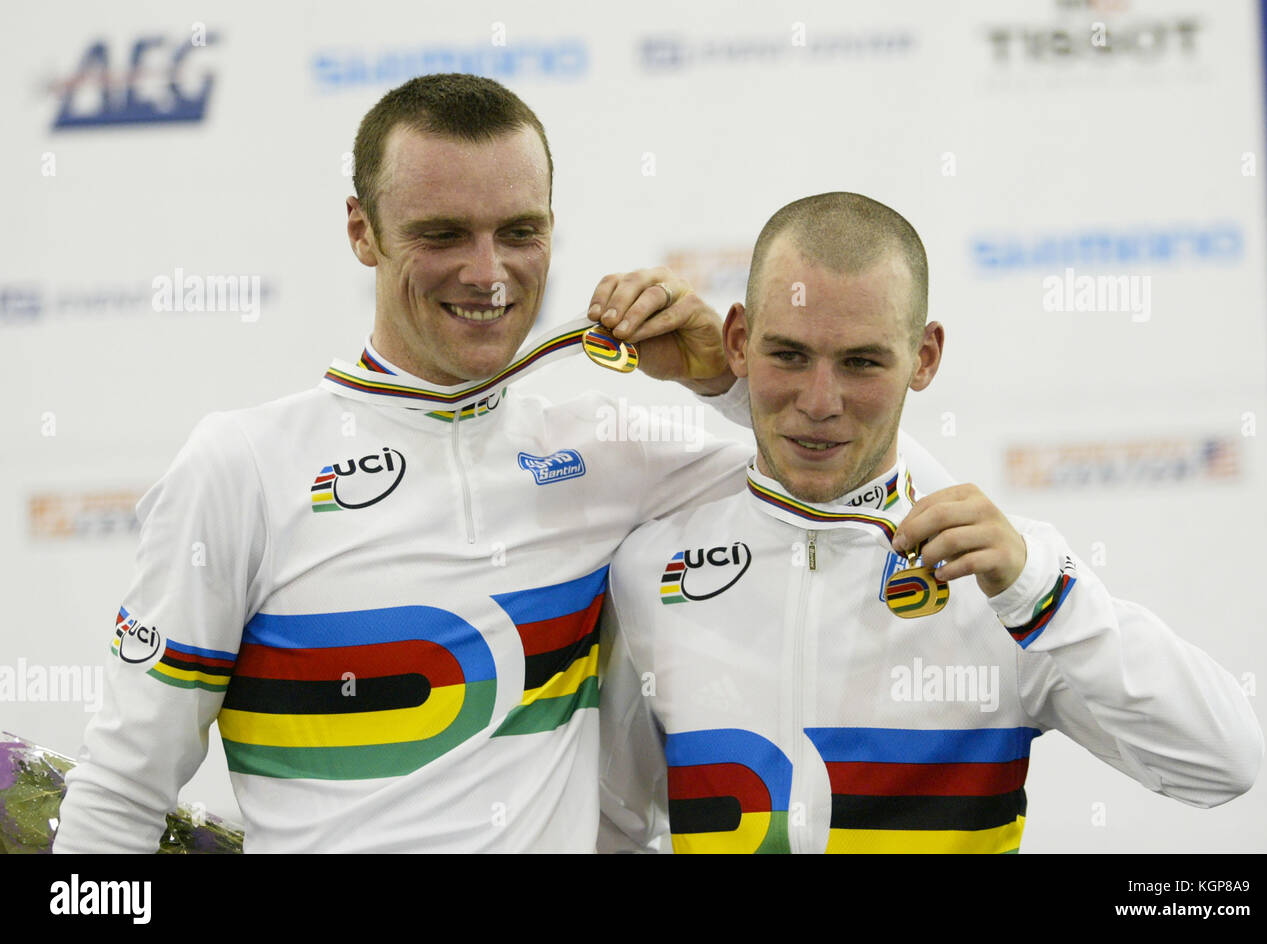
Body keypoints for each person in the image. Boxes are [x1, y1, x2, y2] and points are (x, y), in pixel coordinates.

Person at [51, 75, 953, 853]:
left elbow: (857, 480)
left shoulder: (607, 451)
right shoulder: (241, 468)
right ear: (362, 232)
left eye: (519, 231)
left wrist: (720, 375)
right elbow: (123, 790)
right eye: (443, 233)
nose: (488, 272)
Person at [597, 192, 1264, 854]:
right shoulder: (652, 569)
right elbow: (615, 830)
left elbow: (1222, 763)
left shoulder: (1008, 587)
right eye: (789, 356)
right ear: (737, 342)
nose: (820, 402)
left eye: (862, 362)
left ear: (925, 357)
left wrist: (1043, 594)